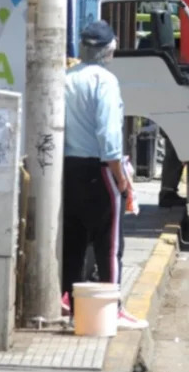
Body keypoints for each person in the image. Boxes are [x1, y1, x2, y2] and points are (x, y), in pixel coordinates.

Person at [61, 20, 147, 330]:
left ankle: (69, 302)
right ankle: (112, 307)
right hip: (99, 170)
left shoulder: (64, 78)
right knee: (109, 244)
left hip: (67, 169)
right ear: (109, 48)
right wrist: (121, 179)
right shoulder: (105, 81)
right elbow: (109, 134)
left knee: (72, 240)